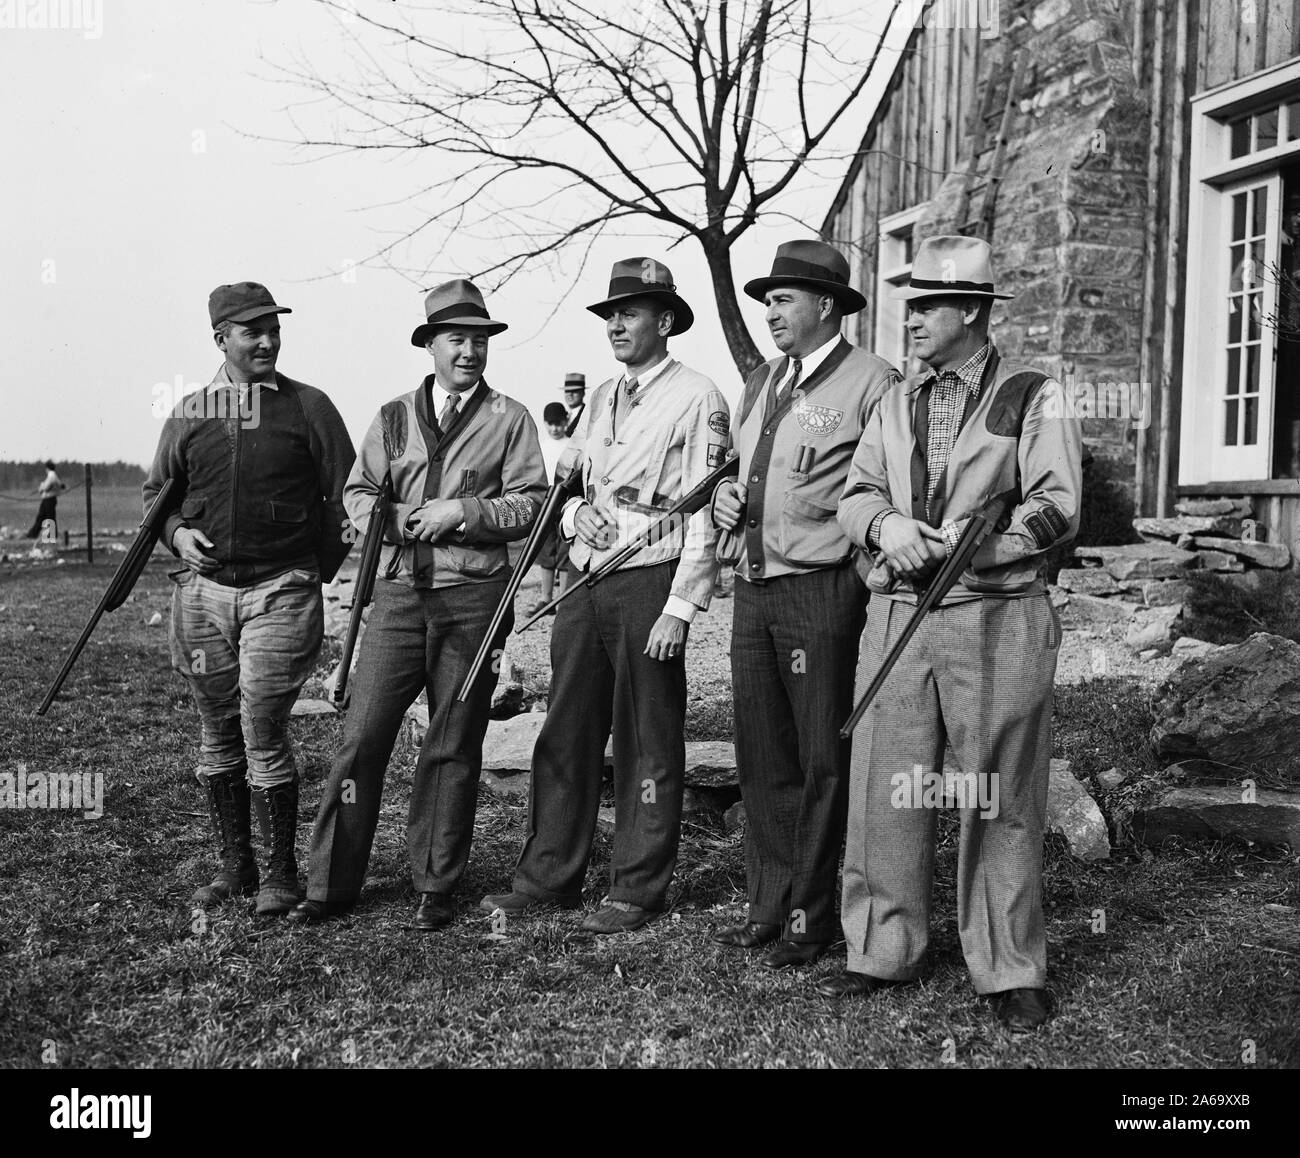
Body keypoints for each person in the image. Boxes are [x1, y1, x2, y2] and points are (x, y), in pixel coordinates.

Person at [823, 236, 1083, 1033]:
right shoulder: (896, 398)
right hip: (899, 612)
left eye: (928, 306)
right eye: (910, 306)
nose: (912, 321)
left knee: (995, 787)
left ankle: (1008, 969)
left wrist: (978, 546)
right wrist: (890, 524)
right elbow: (855, 492)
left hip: (995, 615)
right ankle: (881, 950)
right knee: (883, 784)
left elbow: (1057, 504)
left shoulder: (1037, 393)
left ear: (970, 312)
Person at [290, 279, 546, 931]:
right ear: (430, 344)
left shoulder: (510, 418)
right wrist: (406, 519)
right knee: (362, 734)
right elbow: (358, 494)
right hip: (400, 596)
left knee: (452, 740)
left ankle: (436, 881)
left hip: (476, 600)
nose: (470, 351)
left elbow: (532, 504)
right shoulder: (393, 416)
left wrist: (466, 511)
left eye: (481, 339)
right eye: (457, 338)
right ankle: (330, 883)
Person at [481, 257, 728, 933]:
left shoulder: (698, 396)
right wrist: (570, 519)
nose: (616, 324)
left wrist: (681, 607)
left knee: (649, 737)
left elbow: (703, 510)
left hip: (650, 573)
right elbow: (573, 489)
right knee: (567, 726)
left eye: (631, 313)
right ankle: (547, 877)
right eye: (610, 315)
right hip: (586, 578)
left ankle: (638, 888)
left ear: (666, 321)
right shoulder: (599, 399)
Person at [710, 240, 900, 969]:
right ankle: (768, 902)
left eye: (784, 299)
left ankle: (810, 917)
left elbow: (882, 486)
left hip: (823, 591)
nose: (770, 312)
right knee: (763, 756)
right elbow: (742, 470)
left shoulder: (874, 383)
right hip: (753, 591)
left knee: (824, 756)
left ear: (826, 306)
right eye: (767, 300)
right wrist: (730, 492)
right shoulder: (762, 381)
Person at [144, 281, 356, 916]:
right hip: (203, 597)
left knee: (263, 726)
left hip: (281, 593)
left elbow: (348, 497)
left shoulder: (309, 407)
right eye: (251, 331)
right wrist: (179, 534)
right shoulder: (189, 412)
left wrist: (309, 570)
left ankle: (281, 875)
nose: (267, 341)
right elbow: (159, 494)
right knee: (216, 730)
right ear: (221, 340)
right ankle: (236, 867)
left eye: (273, 329)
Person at [529, 400, 575, 614]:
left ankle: (563, 601)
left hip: (566, 501)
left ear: (566, 421)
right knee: (546, 550)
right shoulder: (541, 447)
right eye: (550, 424)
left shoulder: (572, 445)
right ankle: (545, 599)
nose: (555, 428)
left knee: (565, 550)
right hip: (546, 502)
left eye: (558, 423)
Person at [26, 461, 66, 540]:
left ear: (47, 468)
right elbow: (60, 485)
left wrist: (41, 487)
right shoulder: (54, 475)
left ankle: (47, 534)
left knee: (48, 517)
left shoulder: (51, 476)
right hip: (48, 500)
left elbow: (46, 487)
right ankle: (34, 534)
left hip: (49, 499)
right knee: (43, 517)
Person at [562, 371, 587, 437]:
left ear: (583, 393)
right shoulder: (561, 414)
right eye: (567, 391)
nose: (570, 394)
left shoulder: (588, 414)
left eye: (575, 391)